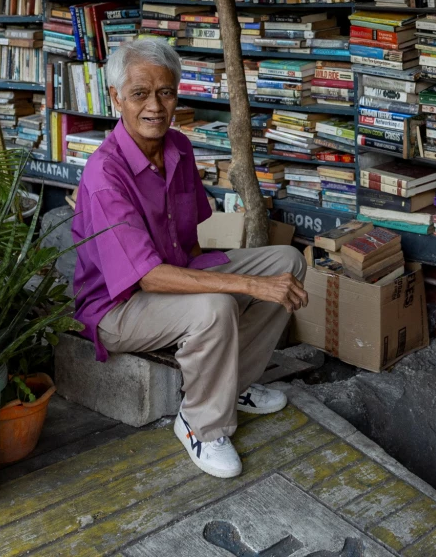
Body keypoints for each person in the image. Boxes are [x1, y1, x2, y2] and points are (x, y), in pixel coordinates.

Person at [70, 38, 308, 479]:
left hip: (174, 273)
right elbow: (148, 278)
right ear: (116, 98)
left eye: (166, 92)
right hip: (117, 306)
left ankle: (230, 386)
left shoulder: (178, 146)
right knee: (215, 306)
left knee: (286, 263)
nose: (155, 106)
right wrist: (246, 287)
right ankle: (201, 424)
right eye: (140, 93)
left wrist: (240, 278)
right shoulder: (105, 174)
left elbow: (192, 243)